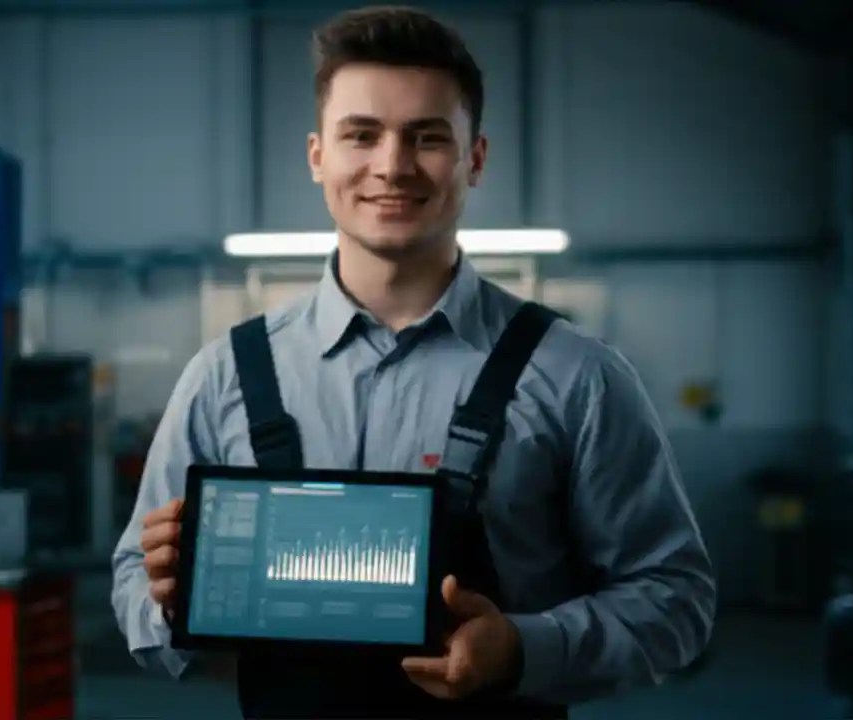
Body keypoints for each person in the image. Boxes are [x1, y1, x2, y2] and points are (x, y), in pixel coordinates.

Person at [111, 5, 717, 718]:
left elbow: (676, 600)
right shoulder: (225, 378)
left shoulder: (578, 376)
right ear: (318, 156)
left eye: (427, 137)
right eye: (360, 135)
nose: (391, 166)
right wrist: (168, 600)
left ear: (475, 158)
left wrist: (524, 649)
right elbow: (131, 589)